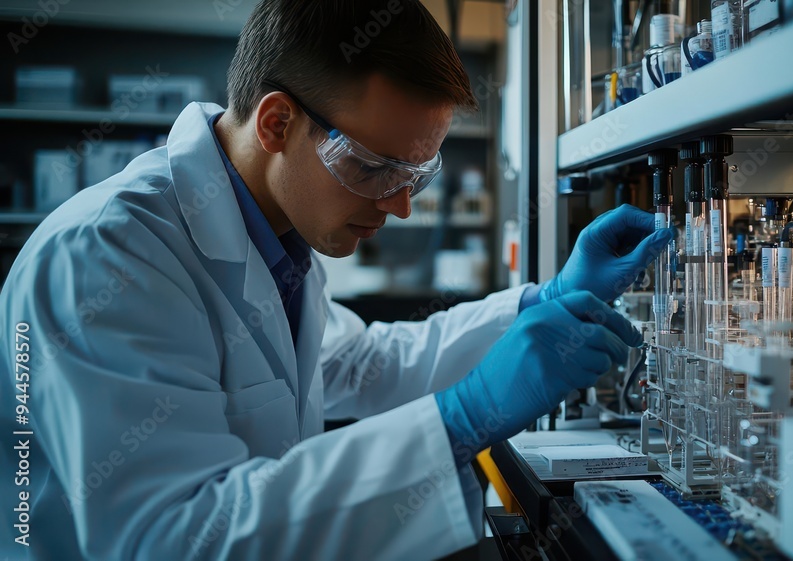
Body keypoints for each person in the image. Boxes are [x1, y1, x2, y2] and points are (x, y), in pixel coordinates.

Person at [0, 1, 671, 559]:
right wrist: (463, 418)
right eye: (376, 168)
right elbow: (173, 537)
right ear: (277, 123)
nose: (400, 205)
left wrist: (541, 301)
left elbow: (357, 362)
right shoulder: (107, 256)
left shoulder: (273, 227)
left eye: (415, 176)